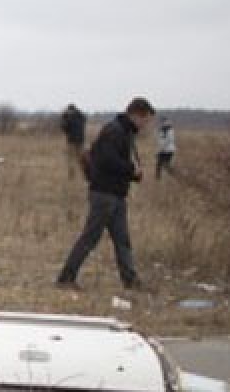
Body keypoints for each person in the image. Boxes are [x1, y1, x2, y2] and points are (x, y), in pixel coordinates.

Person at [56, 97, 156, 292]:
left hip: (116, 195)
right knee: (90, 238)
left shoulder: (123, 131)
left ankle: (130, 281)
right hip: (104, 195)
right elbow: (106, 161)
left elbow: (112, 162)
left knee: (122, 240)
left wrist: (133, 175)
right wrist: (131, 170)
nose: (146, 125)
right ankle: (65, 278)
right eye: (145, 120)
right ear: (136, 114)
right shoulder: (114, 131)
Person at [59, 103, 87, 180]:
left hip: (71, 141)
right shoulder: (81, 116)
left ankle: (71, 175)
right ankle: (85, 173)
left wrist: (64, 116)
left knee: (70, 158)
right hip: (81, 141)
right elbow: (84, 119)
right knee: (81, 159)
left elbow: (64, 128)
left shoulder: (68, 117)